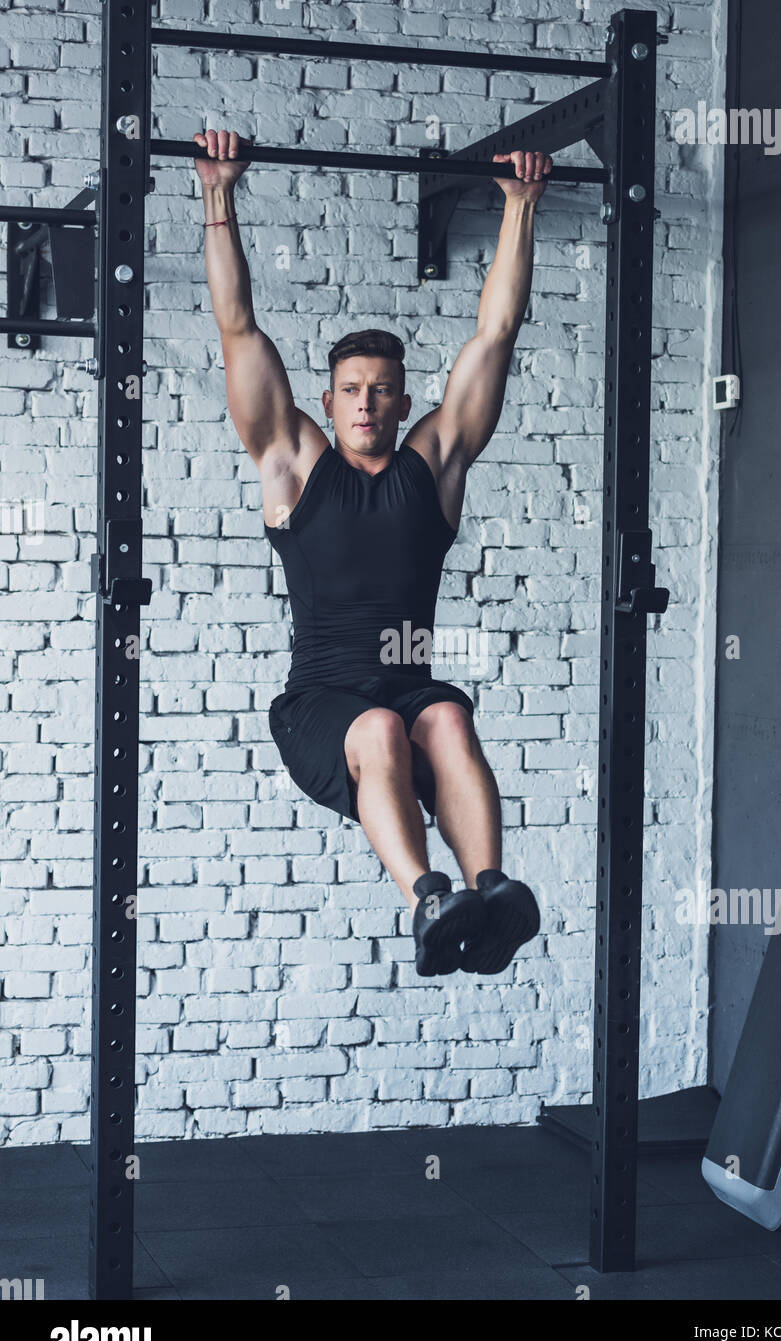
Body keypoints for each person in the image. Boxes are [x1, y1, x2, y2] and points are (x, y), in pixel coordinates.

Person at [194, 127, 546, 978]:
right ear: (328, 398)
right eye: (350, 390)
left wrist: (519, 205)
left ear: (401, 401)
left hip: (409, 683)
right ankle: (428, 900)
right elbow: (238, 329)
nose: (365, 403)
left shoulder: (434, 464)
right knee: (384, 726)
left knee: (446, 717)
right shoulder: (292, 462)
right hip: (322, 704)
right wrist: (218, 192)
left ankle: (487, 893)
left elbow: (494, 336)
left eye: (381, 391)